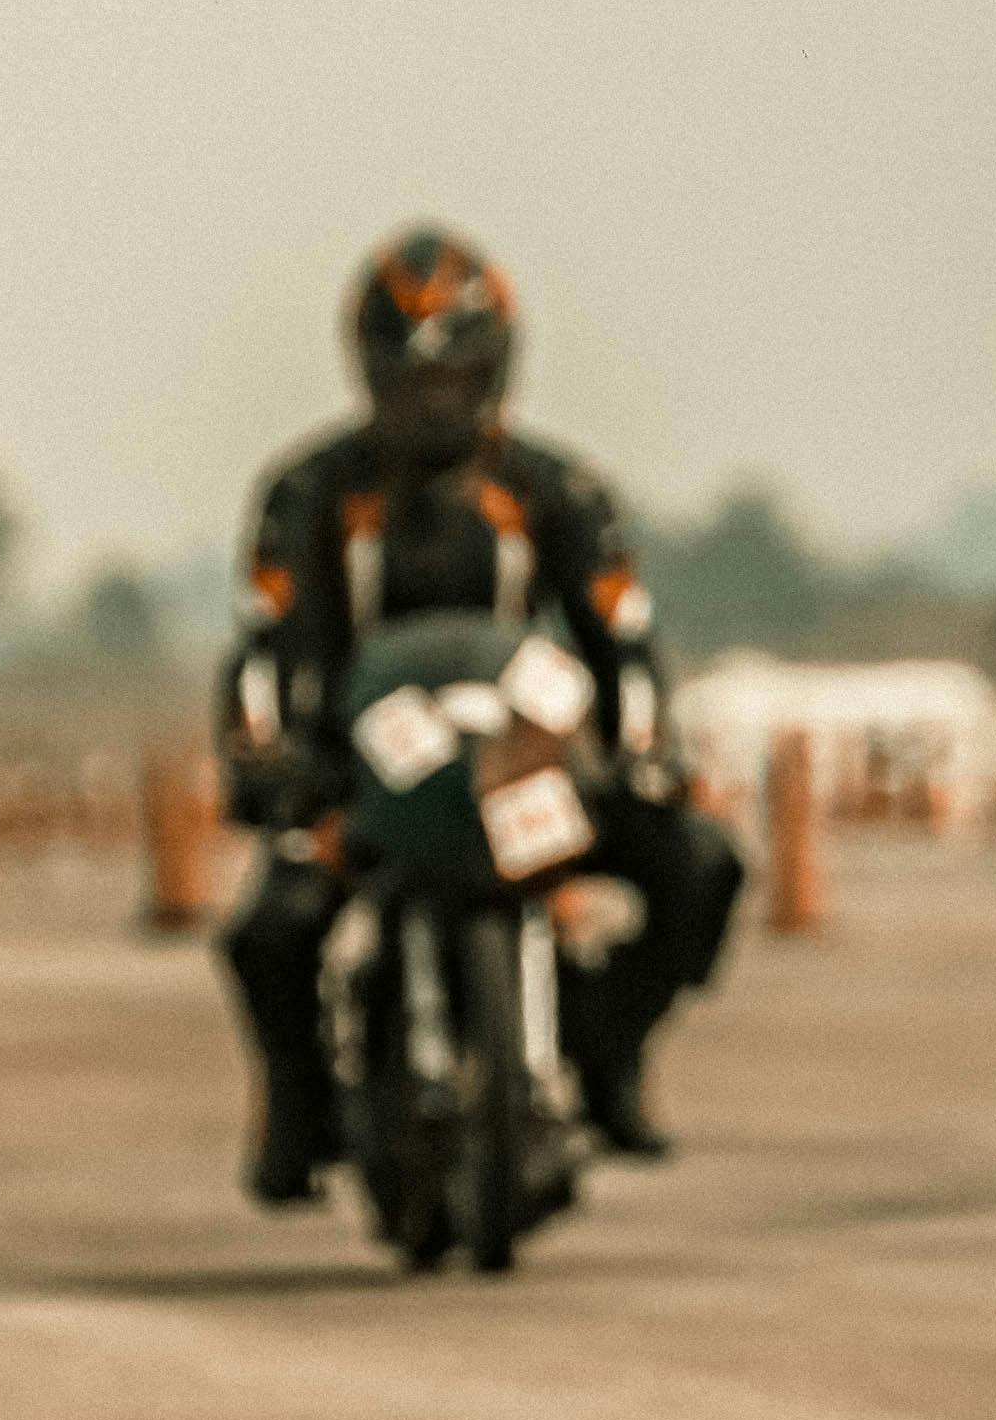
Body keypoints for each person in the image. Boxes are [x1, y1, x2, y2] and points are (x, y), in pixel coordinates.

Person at [213, 227, 746, 1187]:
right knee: (268, 931)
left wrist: (643, 749)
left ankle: (608, 1048)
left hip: (526, 771)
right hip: (359, 780)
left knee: (701, 863)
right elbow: (262, 643)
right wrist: (262, 754)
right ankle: (301, 1107)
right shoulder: (307, 491)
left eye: (456, 378)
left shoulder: (559, 489)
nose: (434, 403)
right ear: (368, 372)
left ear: (496, 369)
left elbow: (622, 640)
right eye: (413, 381)